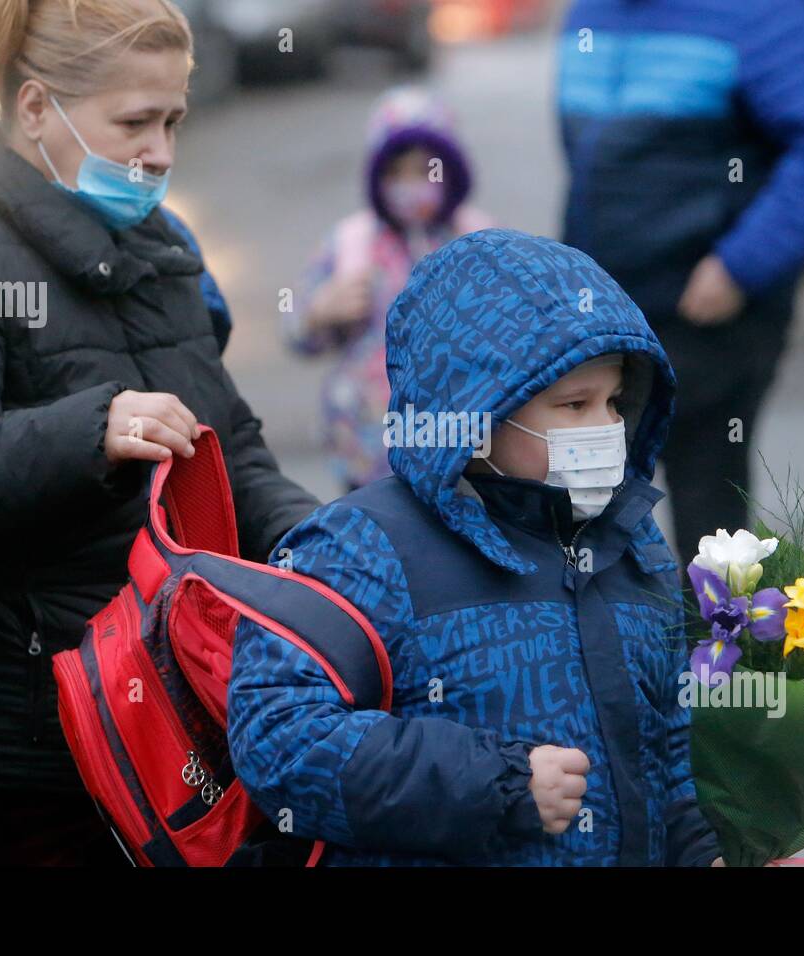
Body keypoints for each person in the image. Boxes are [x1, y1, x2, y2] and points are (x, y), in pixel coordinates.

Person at [0, 0, 318, 866]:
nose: (161, 152)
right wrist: (90, 431)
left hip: (128, 742)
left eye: (172, 119)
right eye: (134, 122)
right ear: (34, 109)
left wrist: (325, 553)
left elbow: (228, 449)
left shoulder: (156, 248)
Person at [227, 229, 725, 865]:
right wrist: (495, 784)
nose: (605, 429)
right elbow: (280, 737)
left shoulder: (633, 543)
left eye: (615, 403)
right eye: (573, 404)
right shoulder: (359, 548)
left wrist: (700, 851)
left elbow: (666, 758)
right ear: (475, 414)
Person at [556, 0, 804, 572]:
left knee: (708, 522)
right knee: (583, 510)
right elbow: (592, 159)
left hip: (709, 312)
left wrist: (740, 265)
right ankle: (613, 658)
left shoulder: (756, 14)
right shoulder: (588, 13)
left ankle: (714, 656)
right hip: (603, 314)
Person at [282, 86, 493, 494]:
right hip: (366, 453)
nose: (410, 184)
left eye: (425, 170)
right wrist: (320, 312)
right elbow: (295, 332)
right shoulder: (351, 242)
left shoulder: (477, 241)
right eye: (396, 172)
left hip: (460, 452)